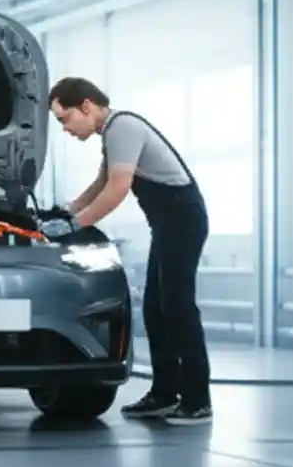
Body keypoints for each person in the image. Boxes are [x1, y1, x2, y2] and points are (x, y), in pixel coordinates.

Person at [48, 77, 213, 425]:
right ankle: (164, 394)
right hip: (169, 224)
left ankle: (197, 400)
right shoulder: (112, 132)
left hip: (183, 219)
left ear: (86, 106)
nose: (65, 128)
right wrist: (67, 210)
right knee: (155, 308)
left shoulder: (123, 127)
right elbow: (101, 182)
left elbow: (117, 189)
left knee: (178, 307)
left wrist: (76, 226)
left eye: (64, 119)